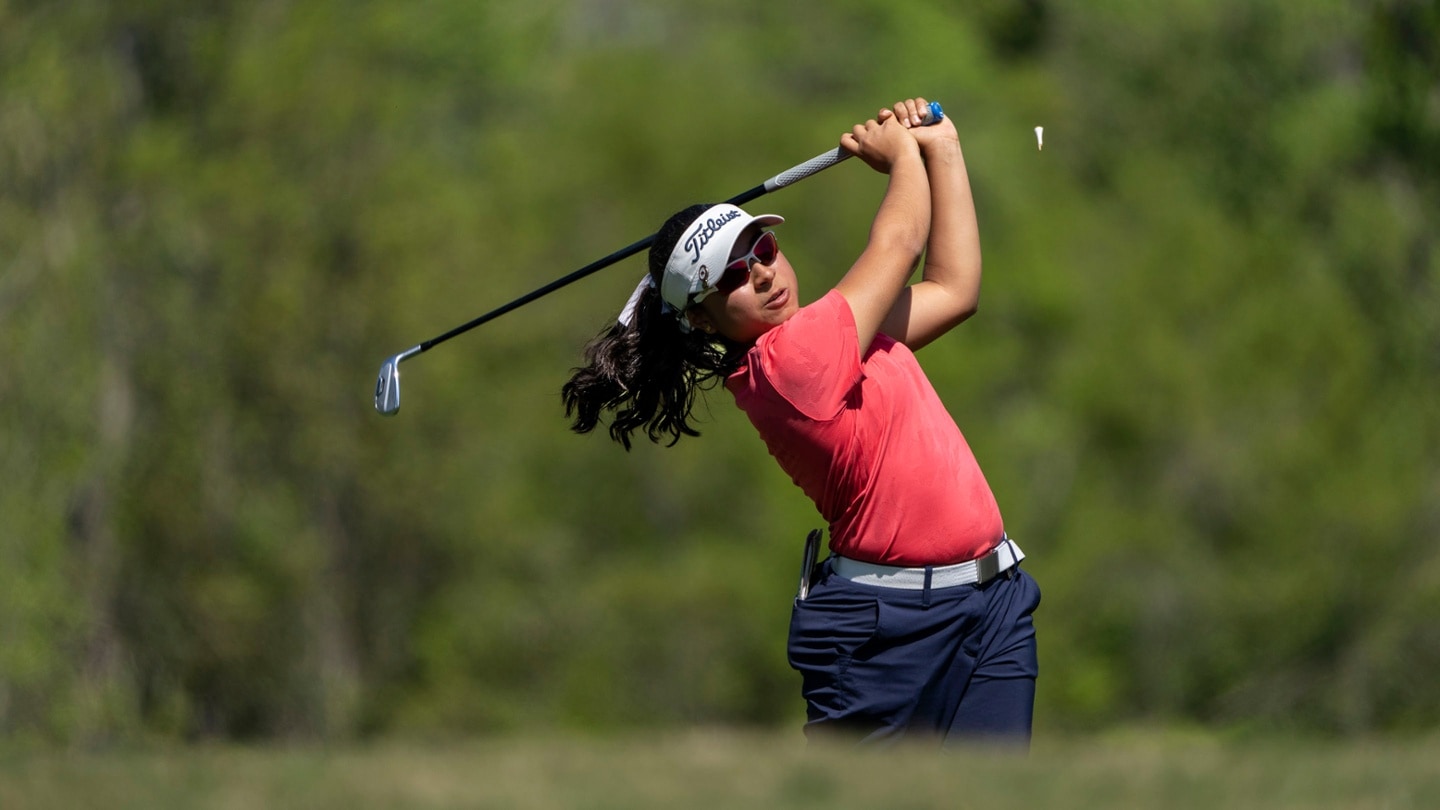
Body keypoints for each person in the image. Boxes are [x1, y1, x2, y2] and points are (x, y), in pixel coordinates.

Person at [561, 97, 1040, 747]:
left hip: (994, 602)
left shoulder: (837, 335)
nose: (762, 273)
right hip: (889, 630)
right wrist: (902, 155)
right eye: (732, 275)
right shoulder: (793, 361)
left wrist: (942, 148)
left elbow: (955, 289)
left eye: (762, 248)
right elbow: (900, 242)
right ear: (701, 318)